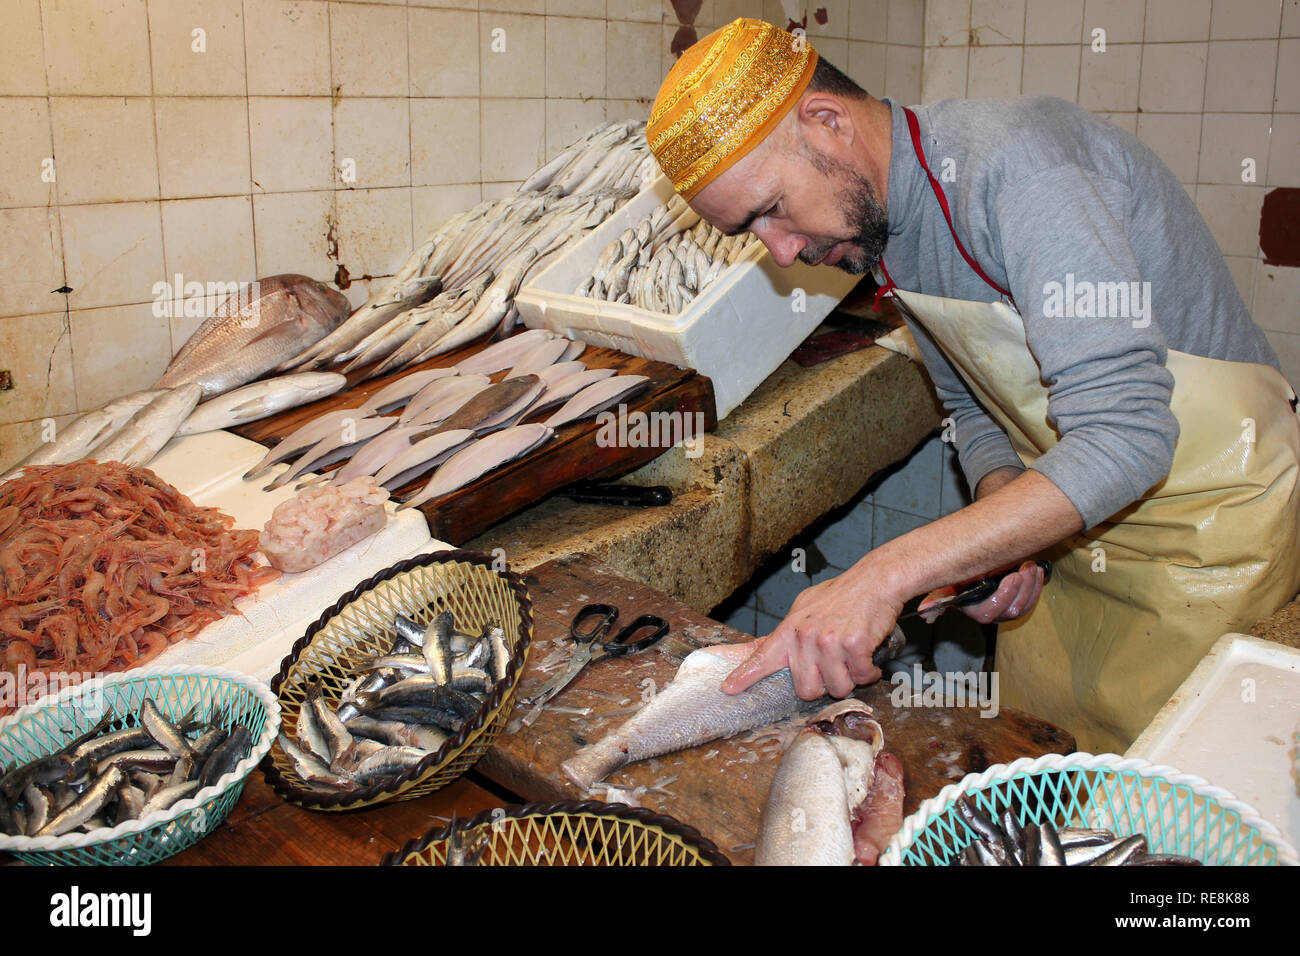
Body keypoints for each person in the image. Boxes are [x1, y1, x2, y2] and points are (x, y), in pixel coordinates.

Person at [645, 18, 1300, 752]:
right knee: (1050, 775)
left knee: (1181, 810)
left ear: (826, 122)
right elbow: (972, 402)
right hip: (1070, 528)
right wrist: (998, 531)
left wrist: (882, 574)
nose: (783, 252)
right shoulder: (888, 222)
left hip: (1207, 537)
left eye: (770, 210)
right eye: (751, 233)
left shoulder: (1020, 174)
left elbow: (1128, 438)